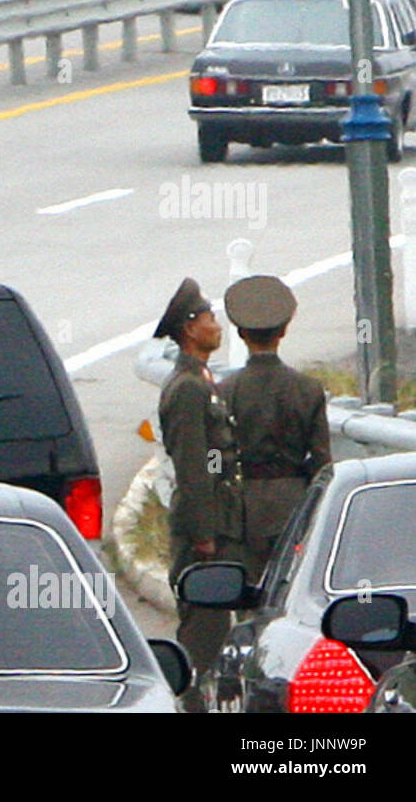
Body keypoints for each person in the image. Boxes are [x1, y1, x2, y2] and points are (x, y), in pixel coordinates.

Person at [154, 277, 244, 712]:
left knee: (218, 633)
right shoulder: (188, 388)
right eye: (209, 318)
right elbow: (194, 466)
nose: (216, 325)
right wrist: (204, 533)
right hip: (201, 530)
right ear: (190, 328)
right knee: (203, 638)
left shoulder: (201, 380)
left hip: (216, 517)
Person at [219, 275, 330, 583]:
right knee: (291, 587)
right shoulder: (307, 389)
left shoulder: (225, 391)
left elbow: (215, 457)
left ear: (241, 334)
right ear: (284, 330)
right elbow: (322, 460)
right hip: (294, 502)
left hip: (244, 507)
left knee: (249, 592)